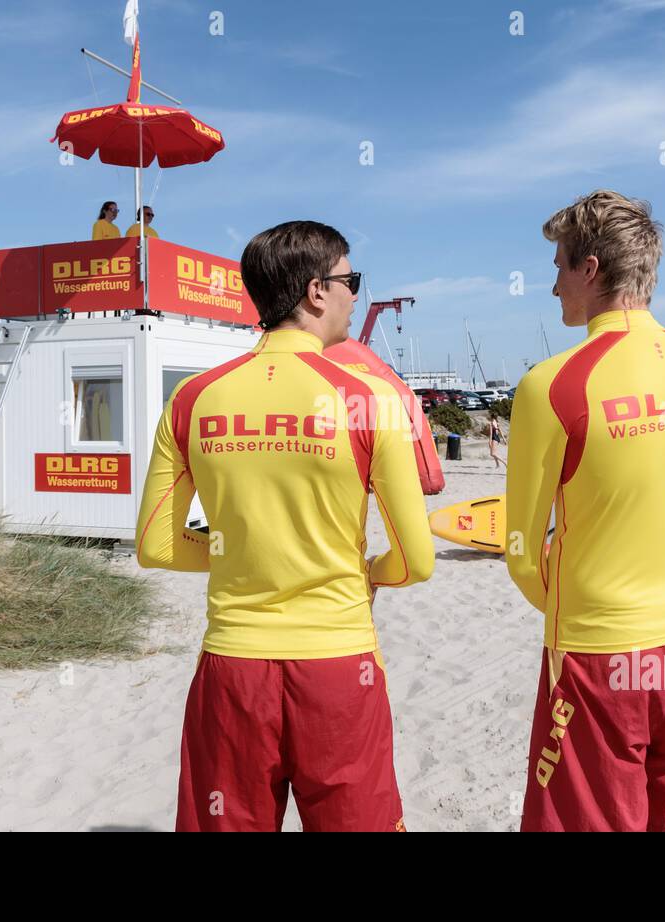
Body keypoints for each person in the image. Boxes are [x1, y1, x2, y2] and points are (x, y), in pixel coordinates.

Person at [135, 220, 434, 832]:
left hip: (232, 668)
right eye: (352, 281)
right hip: (337, 663)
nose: (357, 296)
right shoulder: (371, 400)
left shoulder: (194, 397)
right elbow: (415, 561)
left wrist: (244, 551)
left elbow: (156, 544)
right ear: (316, 292)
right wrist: (365, 570)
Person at [506, 190, 665, 832]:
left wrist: (576, 605)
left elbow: (521, 550)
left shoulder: (552, 382)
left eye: (557, 267)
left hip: (596, 652)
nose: (552, 288)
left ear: (591, 269)